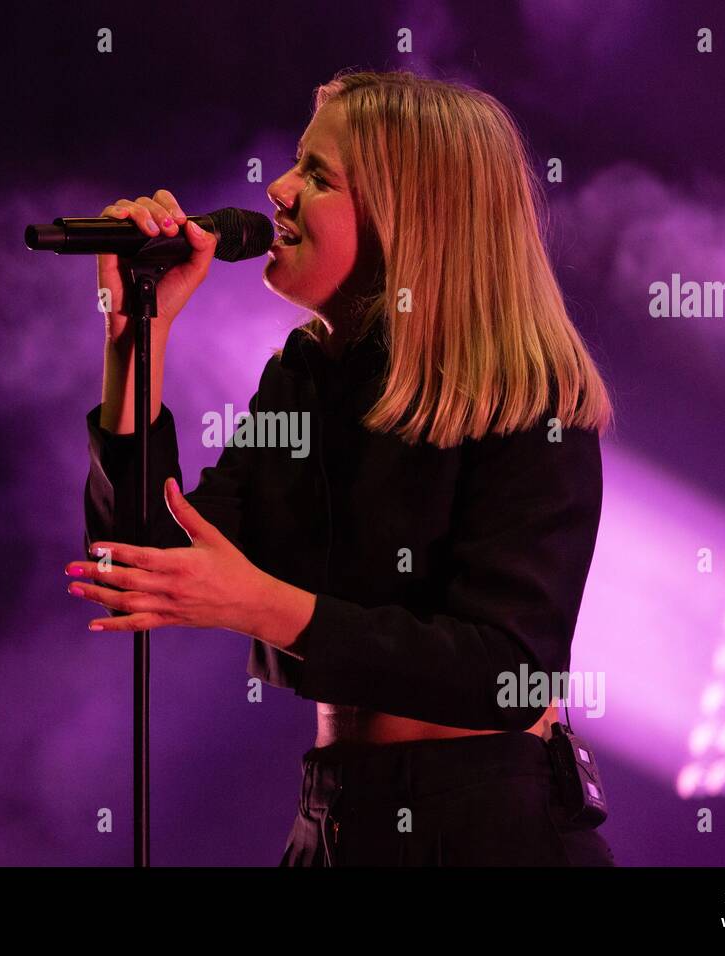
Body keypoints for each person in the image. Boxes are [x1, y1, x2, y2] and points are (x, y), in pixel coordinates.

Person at [68, 69, 616, 866]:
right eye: (296, 163)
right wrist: (134, 340)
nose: (278, 190)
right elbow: (142, 559)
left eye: (318, 175)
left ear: (410, 216)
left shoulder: (529, 400)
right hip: (334, 812)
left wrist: (270, 608)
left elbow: (511, 672)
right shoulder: (307, 374)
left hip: (482, 821)